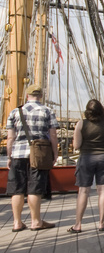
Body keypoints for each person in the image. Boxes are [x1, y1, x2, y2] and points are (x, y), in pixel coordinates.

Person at [6, 83, 59, 231]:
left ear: (27, 96)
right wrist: (54, 154)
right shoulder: (47, 111)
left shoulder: (15, 112)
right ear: (41, 96)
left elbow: (10, 138)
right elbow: (53, 135)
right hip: (39, 154)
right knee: (35, 188)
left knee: (17, 189)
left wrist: (9, 156)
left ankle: (17, 222)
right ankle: (35, 221)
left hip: (18, 154)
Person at [68, 99, 104, 233]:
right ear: (102, 110)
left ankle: (78, 225)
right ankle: (102, 223)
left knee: (83, 191)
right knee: (103, 190)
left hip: (86, 158)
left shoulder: (81, 124)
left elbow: (76, 145)